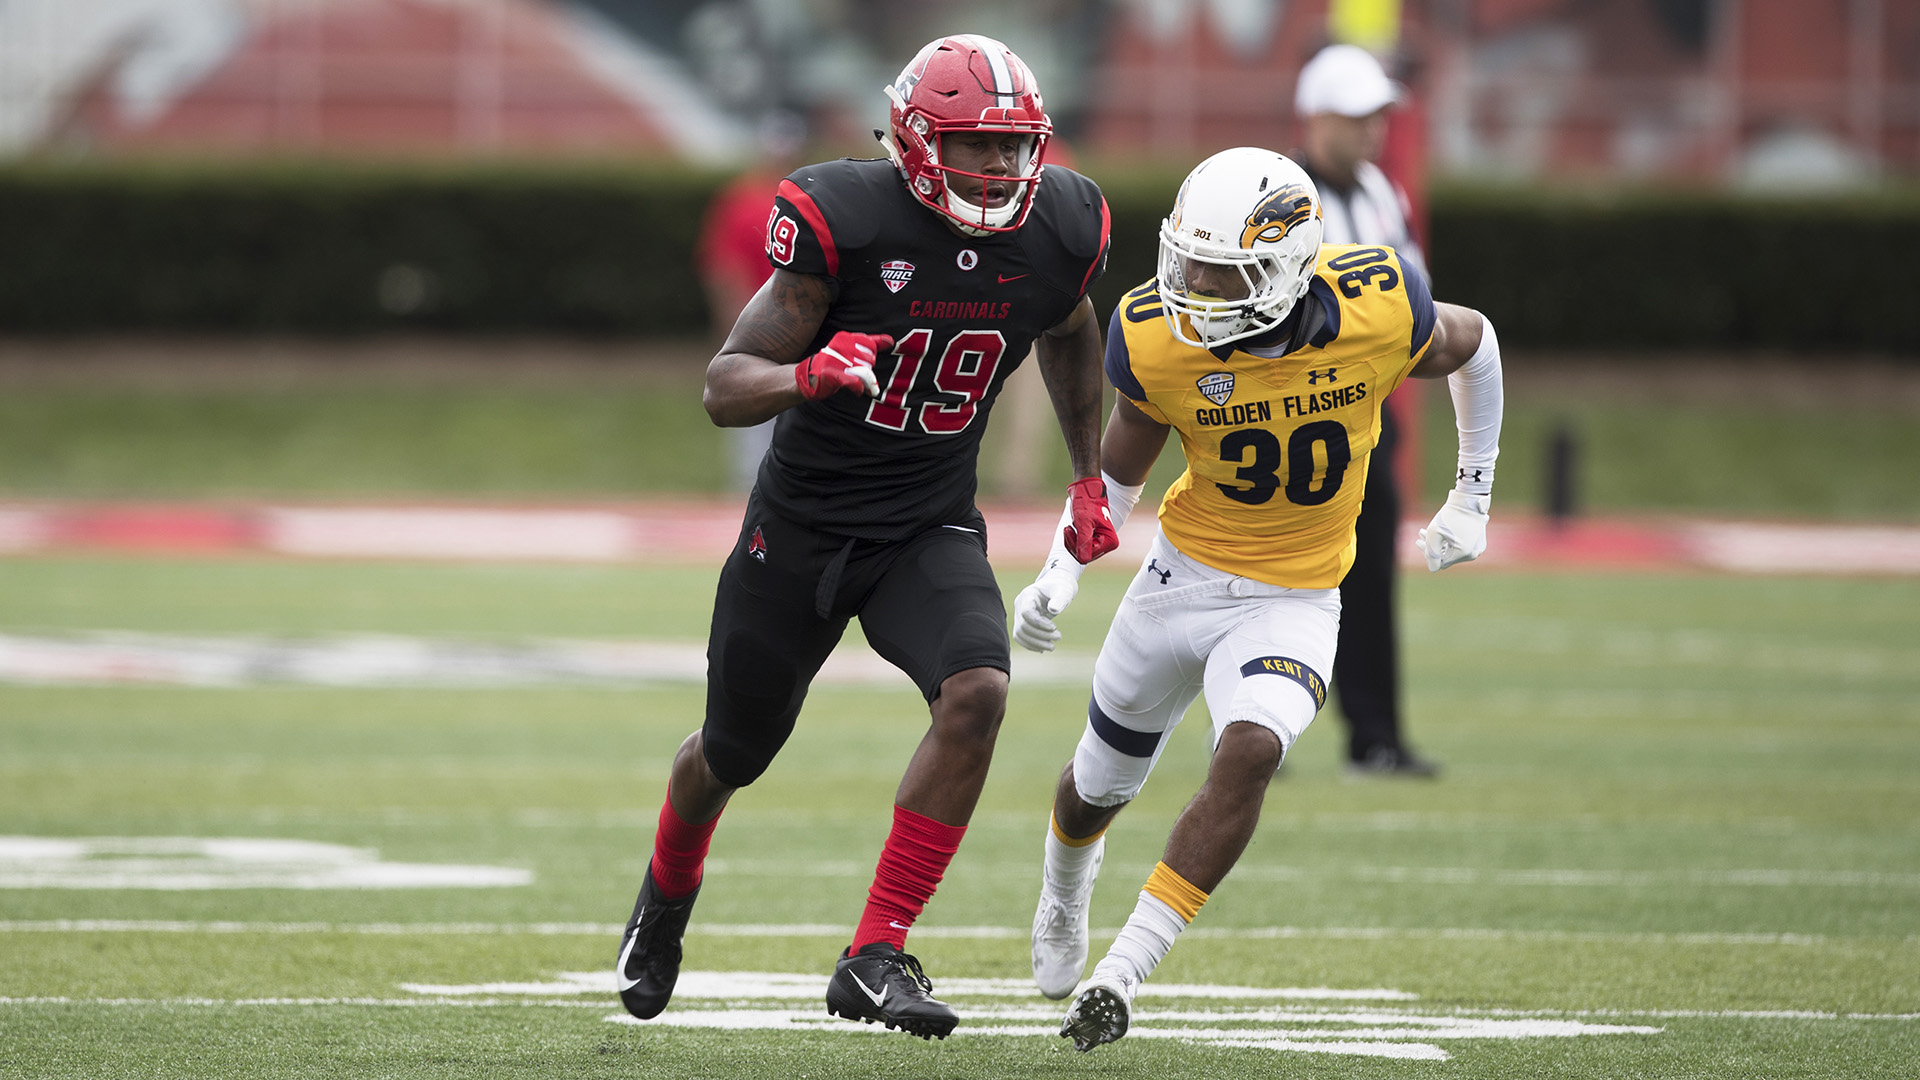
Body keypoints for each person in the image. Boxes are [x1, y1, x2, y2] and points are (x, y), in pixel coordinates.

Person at [615, 34, 1118, 1042]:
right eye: (976, 146)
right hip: (801, 528)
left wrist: (1086, 473)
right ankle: (667, 893)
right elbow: (724, 385)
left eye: (1014, 147)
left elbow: (1067, 326)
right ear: (919, 142)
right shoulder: (846, 218)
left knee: (978, 693)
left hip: (925, 522)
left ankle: (876, 952)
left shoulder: (1060, 224)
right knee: (730, 752)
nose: (1001, 170)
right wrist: (808, 374)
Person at [1010, 147, 1502, 1050]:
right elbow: (1118, 468)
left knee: (1252, 748)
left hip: (1297, 596)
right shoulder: (1159, 334)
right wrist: (1062, 569)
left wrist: (1473, 491)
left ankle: (1121, 973)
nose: (1194, 285)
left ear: (1286, 266)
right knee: (1094, 788)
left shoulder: (1378, 306)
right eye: (1187, 261)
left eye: (1222, 270)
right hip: (1180, 581)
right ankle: (1064, 890)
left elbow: (1475, 343)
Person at [1294, 42, 1437, 776]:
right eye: (1358, 117)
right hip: (1288, 419)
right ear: (1317, 117)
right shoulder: (1279, 194)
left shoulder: (1383, 191)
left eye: (1379, 116)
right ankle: (1242, 726)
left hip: (1369, 420)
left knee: (1373, 574)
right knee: (1264, 574)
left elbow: (1413, 296)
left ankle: (1374, 736)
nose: (1373, 131)